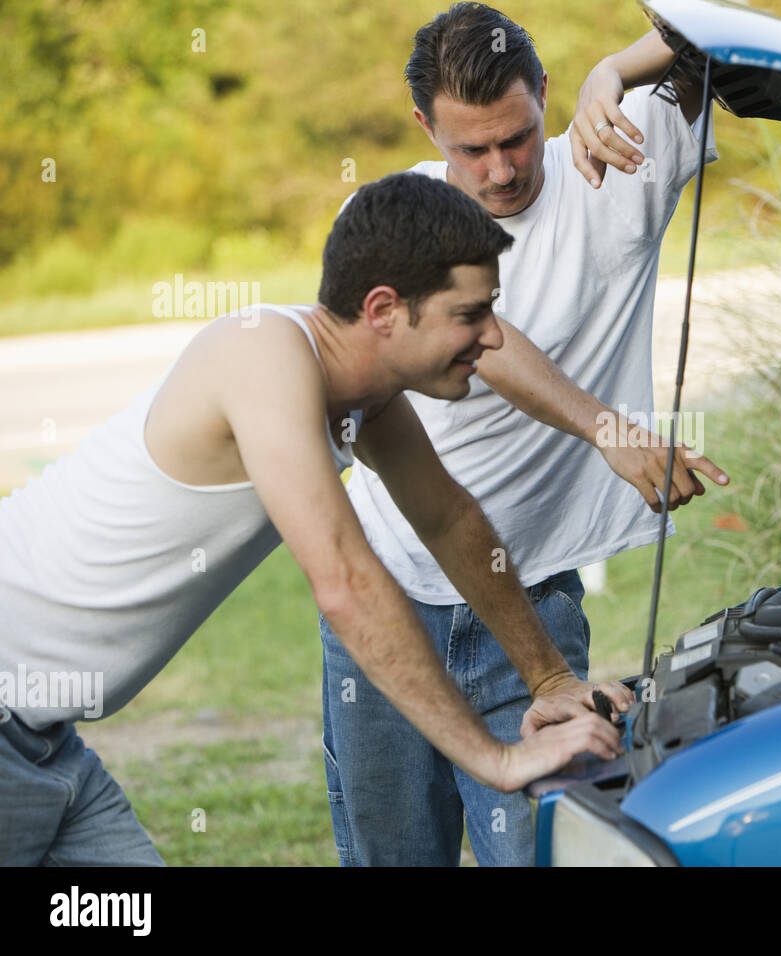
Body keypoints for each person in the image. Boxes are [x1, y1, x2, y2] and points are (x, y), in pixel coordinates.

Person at [0, 171, 635, 866]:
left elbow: (450, 521)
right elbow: (345, 582)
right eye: (469, 314)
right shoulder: (261, 353)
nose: (491, 336)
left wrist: (550, 682)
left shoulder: (367, 399)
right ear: (385, 309)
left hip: (44, 744)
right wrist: (498, 760)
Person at [322, 2, 723, 866]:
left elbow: (715, 29)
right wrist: (606, 426)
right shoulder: (391, 214)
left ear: (544, 94)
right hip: (386, 601)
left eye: (517, 136)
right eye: (471, 149)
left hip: (532, 609)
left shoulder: (616, 157)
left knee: (535, 856)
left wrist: (616, 69)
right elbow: (486, 338)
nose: (501, 170)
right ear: (425, 128)